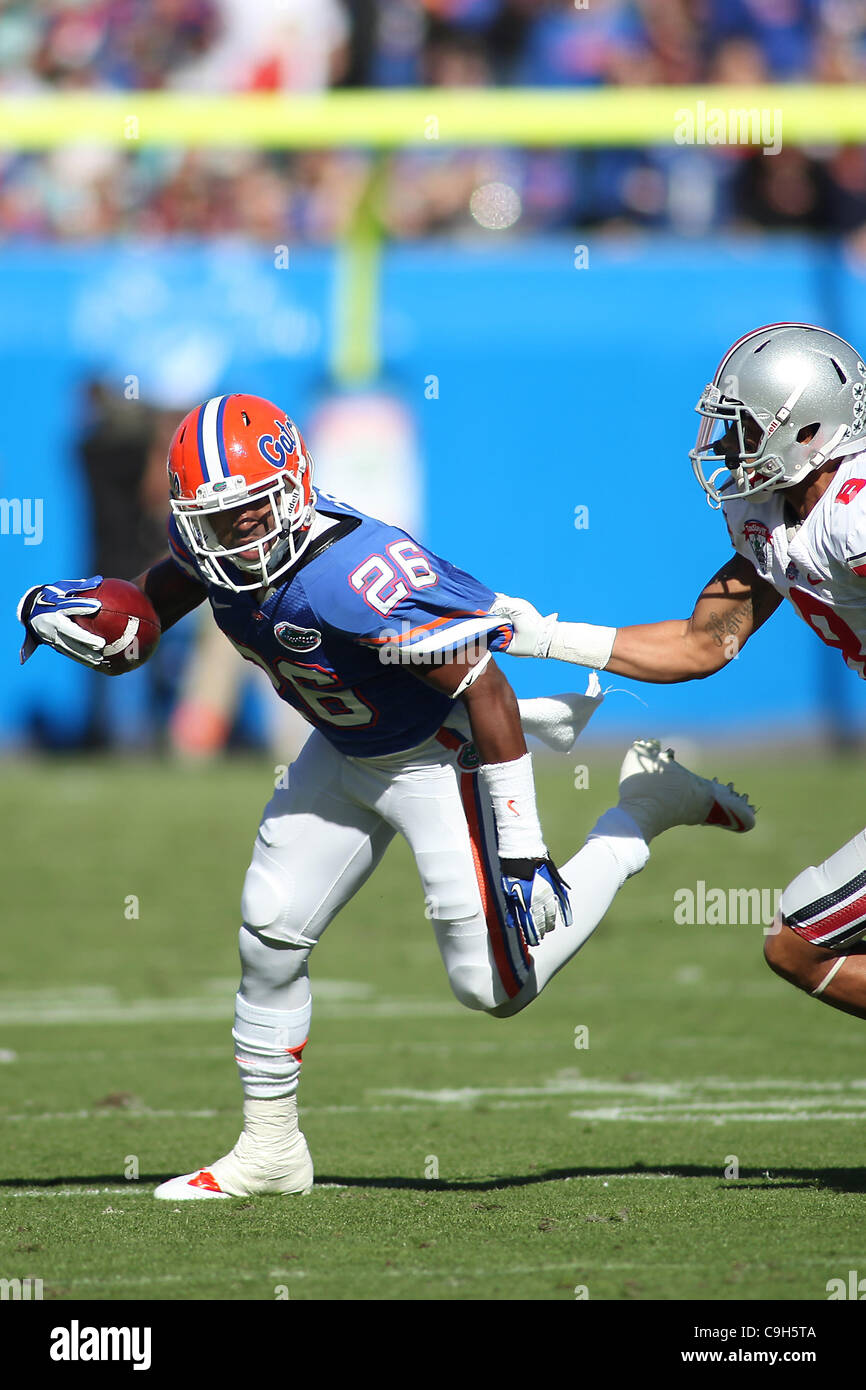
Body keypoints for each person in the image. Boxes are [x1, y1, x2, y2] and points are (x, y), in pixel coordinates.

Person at [17, 391, 754, 1198]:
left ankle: (642, 810)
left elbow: (488, 690)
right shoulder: (221, 543)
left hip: (438, 757)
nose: (237, 540)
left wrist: (523, 847)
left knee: (495, 987)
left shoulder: (350, 579)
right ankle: (271, 1150)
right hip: (343, 747)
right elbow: (153, 609)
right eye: (216, 524)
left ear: (291, 489)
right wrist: (103, 623)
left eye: (250, 517)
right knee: (269, 929)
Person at [494, 322, 866, 1022]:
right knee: (796, 945)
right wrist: (543, 637)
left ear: (811, 430)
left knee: (798, 944)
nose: (726, 447)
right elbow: (703, 643)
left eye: (744, 428)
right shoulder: (778, 514)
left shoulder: (855, 513)